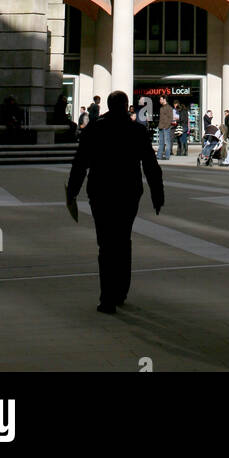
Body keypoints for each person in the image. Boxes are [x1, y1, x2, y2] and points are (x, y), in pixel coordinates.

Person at [66, 89, 164, 314]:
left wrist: (72, 191)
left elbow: (80, 162)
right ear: (126, 104)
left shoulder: (95, 128)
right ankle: (121, 291)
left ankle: (107, 298)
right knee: (122, 239)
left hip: (101, 190)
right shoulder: (136, 130)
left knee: (106, 244)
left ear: (109, 105)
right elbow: (150, 164)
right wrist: (157, 194)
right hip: (128, 191)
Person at [157, 95, 174, 161]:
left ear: (164, 100)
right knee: (161, 142)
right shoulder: (161, 108)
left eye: (161, 99)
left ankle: (167, 156)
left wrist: (167, 126)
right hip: (161, 127)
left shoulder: (169, 108)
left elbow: (170, 118)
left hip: (166, 127)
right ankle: (159, 156)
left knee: (167, 142)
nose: (160, 101)